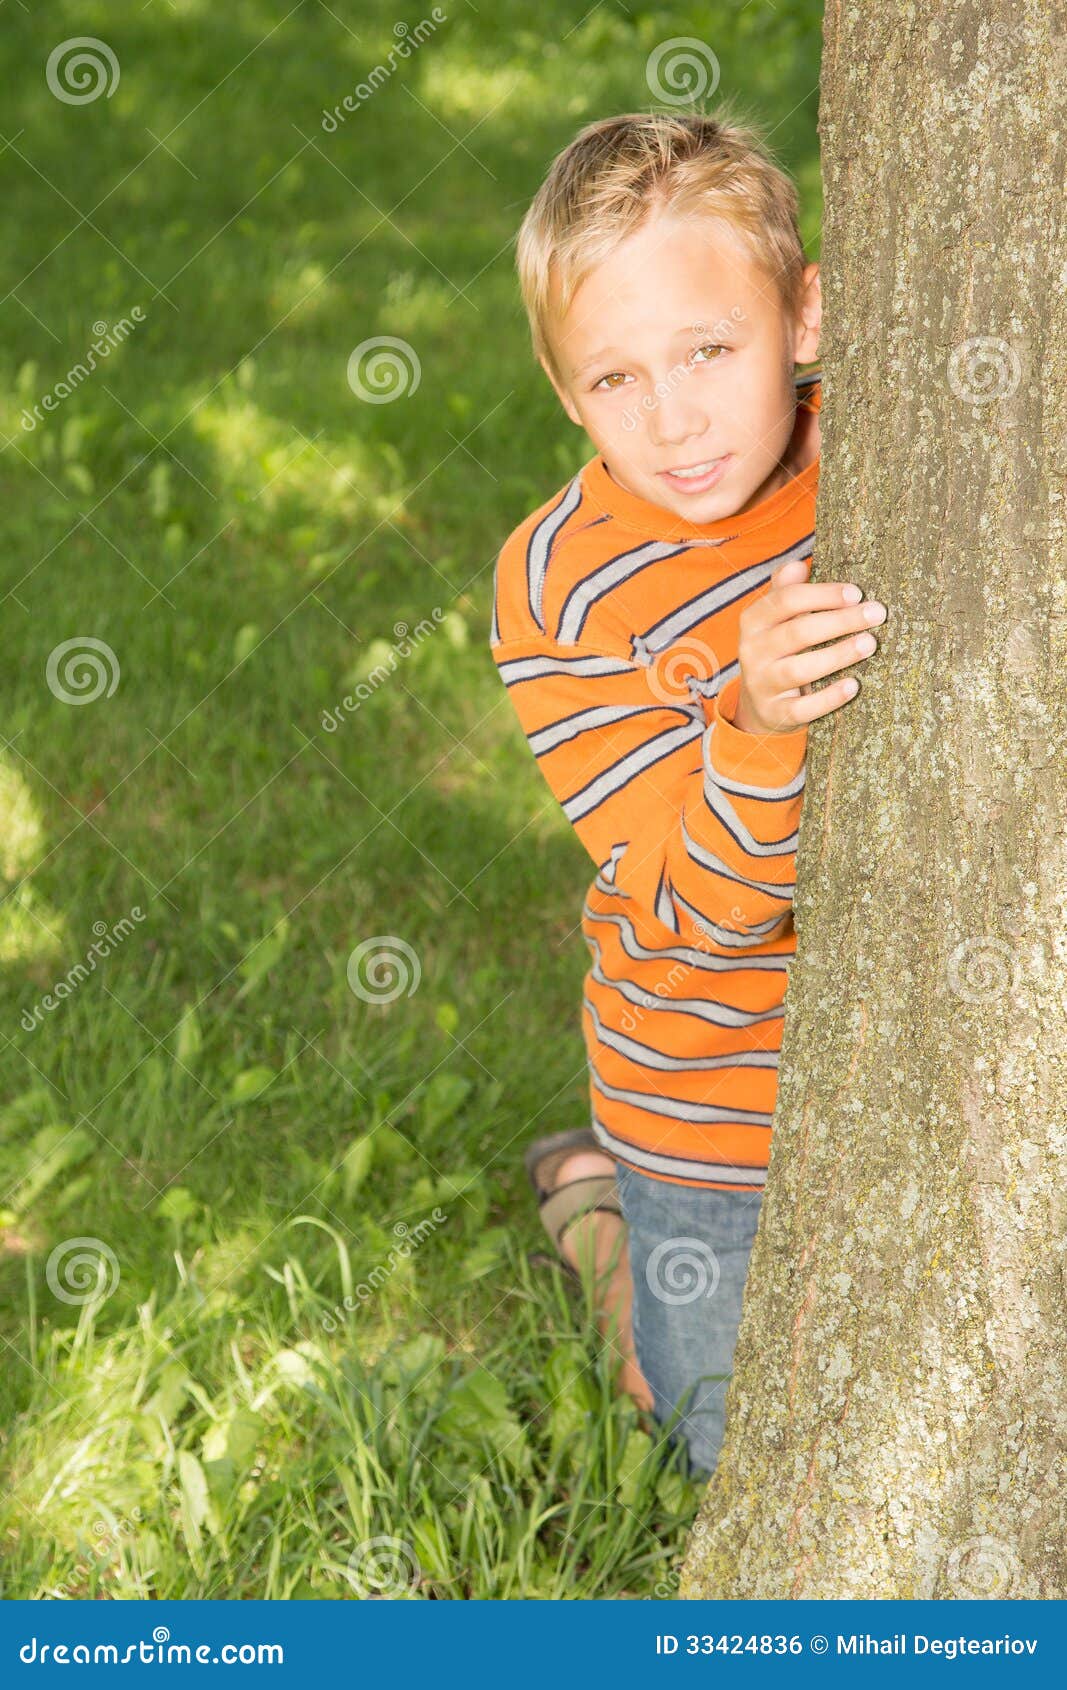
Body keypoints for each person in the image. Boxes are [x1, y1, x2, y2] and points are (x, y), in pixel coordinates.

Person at [489, 110, 886, 1474]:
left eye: (710, 349)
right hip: (708, 1095)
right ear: (563, 390)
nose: (673, 418)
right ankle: (602, 1215)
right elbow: (701, 904)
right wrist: (758, 719)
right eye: (614, 378)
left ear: (807, 314)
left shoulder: (890, 458)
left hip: (909, 1071)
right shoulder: (559, 584)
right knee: (726, 1448)